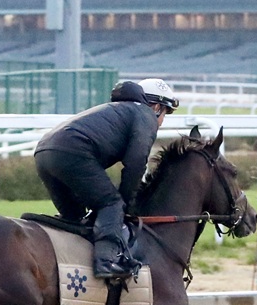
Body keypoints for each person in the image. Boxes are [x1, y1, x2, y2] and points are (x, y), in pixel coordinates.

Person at [34, 78, 179, 280]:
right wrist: (125, 202)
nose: (162, 121)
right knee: (111, 203)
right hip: (71, 151)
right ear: (156, 106)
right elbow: (136, 163)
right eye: (166, 113)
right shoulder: (145, 115)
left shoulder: (116, 110)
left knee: (75, 219)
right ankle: (106, 262)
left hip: (43, 153)